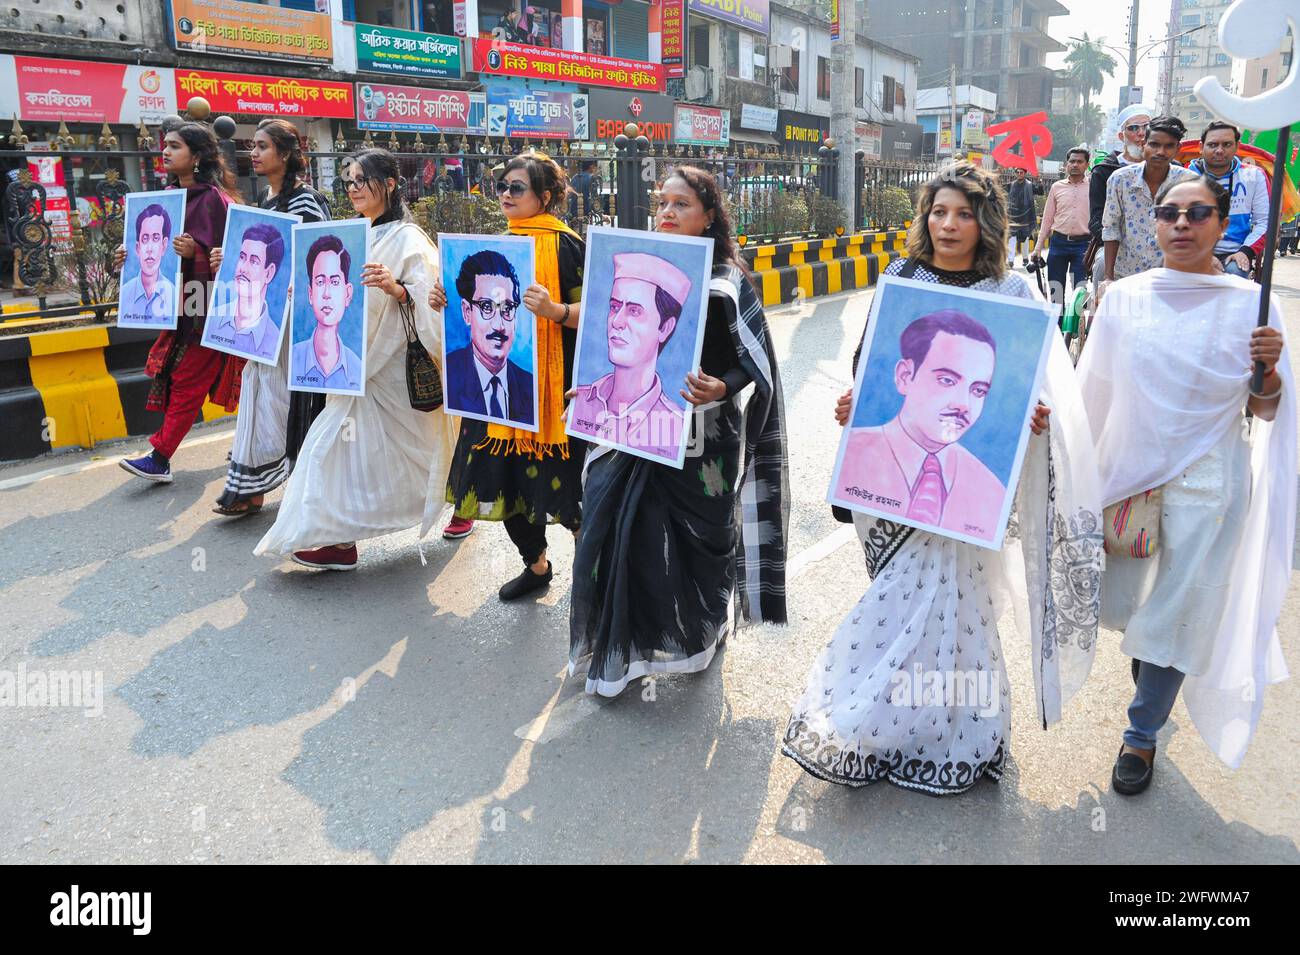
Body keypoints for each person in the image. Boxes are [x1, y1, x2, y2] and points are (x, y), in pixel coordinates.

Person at [782, 161, 1103, 795]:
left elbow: (1030, 387)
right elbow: (871, 361)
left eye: (963, 213)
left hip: (972, 500)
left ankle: (958, 737)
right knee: (899, 601)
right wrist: (856, 402)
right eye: (938, 212)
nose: (948, 224)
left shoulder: (1011, 295)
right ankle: (876, 729)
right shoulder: (902, 279)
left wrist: (1035, 416)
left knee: (960, 611)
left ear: (985, 222)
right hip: (892, 490)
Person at [1076, 175, 1294, 793]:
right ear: (1154, 223)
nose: (1180, 224)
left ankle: (1140, 735)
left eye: (1196, 213)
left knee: (1181, 608)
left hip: (1210, 483)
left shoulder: (1253, 304)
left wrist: (1269, 372)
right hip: (1134, 477)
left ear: (1221, 223)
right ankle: (1153, 671)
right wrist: (1072, 464)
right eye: (1169, 213)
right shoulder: (1124, 298)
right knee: (1136, 604)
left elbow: (1267, 409)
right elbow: (1096, 390)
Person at [568, 165, 789, 696]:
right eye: (662, 203)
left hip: (703, 440)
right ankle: (625, 650)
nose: (666, 213)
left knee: (696, 543)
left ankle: (698, 633)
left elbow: (753, 364)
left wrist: (721, 386)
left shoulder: (729, 280)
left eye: (681, 204)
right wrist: (591, 390)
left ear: (709, 215)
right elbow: (605, 340)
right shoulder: (636, 270)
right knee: (621, 535)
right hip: (631, 436)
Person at [254, 148, 458, 571]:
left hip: (391, 371)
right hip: (350, 370)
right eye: (348, 181)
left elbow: (434, 303)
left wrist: (397, 289)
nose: (353, 189)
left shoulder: (408, 239)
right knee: (331, 450)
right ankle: (337, 540)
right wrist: (303, 297)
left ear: (389, 183)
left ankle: (454, 490)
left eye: (361, 180)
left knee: (406, 454)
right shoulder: (355, 234)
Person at [433, 151, 586, 593]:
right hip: (495, 406)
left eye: (516, 187)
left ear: (547, 195)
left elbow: (595, 314)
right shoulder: (493, 249)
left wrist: (556, 310)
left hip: (552, 396)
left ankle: (592, 567)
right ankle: (536, 566)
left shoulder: (567, 245)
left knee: (568, 489)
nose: (505, 194)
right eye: (501, 185)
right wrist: (442, 302)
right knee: (503, 482)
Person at [212, 118, 331, 517]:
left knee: (287, 404)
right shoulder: (265, 200)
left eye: (263, 146)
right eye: (254, 146)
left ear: (286, 153)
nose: (254, 153)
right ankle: (249, 485)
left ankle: (290, 489)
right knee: (259, 394)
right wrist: (225, 262)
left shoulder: (306, 202)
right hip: (265, 324)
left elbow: (320, 259)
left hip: (295, 325)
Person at [115, 122, 242, 484]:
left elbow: (232, 256)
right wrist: (128, 259)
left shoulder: (216, 200)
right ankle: (268, 446)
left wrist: (197, 252)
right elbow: (151, 253)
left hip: (208, 309)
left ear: (197, 155)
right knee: (197, 380)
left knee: (188, 381)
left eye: (174, 146)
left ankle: (160, 456)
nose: (165, 152)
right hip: (178, 309)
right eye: (165, 145)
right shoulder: (165, 199)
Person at [837, 309, 1005, 540]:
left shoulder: (989, 489)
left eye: (978, 390)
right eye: (947, 380)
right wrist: (853, 403)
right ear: (905, 376)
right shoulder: (857, 452)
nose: (963, 404)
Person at [567, 252, 690, 460]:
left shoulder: (675, 424)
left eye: (634, 311)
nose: (617, 321)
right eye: (614, 307)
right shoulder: (581, 400)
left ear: (665, 328)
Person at [1101, 115, 1197, 294]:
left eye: (1168, 146)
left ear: (1178, 148)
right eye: (1154, 144)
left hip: (1171, 278)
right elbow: (1111, 227)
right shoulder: (1120, 180)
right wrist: (1108, 278)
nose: (1160, 152)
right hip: (1127, 275)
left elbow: (1196, 230)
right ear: (1144, 144)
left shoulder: (1189, 182)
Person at [445, 249, 535, 424]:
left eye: (507, 309)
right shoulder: (449, 377)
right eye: (487, 307)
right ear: (466, 311)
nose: (499, 325)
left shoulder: (530, 386)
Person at [1188, 121, 1271, 277]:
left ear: (1237, 146)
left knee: (1234, 276)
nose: (1219, 150)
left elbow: (1265, 222)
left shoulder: (1255, 176)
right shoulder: (1187, 174)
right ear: (1201, 147)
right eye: (1212, 145)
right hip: (1194, 250)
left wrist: (1245, 252)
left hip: (1236, 252)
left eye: (1226, 144)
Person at [289, 234, 365, 392]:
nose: (327, 293)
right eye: (320, 282)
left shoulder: (357, 369)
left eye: (335, 282)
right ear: (310, 293)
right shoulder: (293, 359)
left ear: (348, 293)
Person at [206, 222, 284, 362]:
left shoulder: (275, 343)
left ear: (269, 273)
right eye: (242, 257)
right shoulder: (212, 320)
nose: (243, 268)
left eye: (254, 261)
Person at [1034, 146, 1091, 317]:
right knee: (1055, 290)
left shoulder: (1094, 187)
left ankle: (1075, 330)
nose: (1075, 165)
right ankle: (1057, 329)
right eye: (1072, 161)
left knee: (1079, 291)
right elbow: (1047, 219)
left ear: (1086, 165)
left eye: (1079, 162)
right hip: (1058, 244)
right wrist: (1037, 248)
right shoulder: (1057, 187)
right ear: (1067, 164)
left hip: (1083, 245)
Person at [1088, 103, 1152, 245]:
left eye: (1147, 127)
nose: (1141, 133)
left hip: (1157, 245)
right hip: (1116, 245)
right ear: (1121, 136)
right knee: (1102, 265)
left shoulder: (1168, 168)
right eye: (1133, 128)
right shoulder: (1104, 171)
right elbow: (1096, 220)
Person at [118, 203, 177, 326]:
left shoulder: (174, 296)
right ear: (138, 247)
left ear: (164, 245)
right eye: (145, 238)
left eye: (156, 238)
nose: (149, 248)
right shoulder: (124, 293)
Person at [1005, 166, 1040, 268]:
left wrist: (1039, 180)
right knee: (1011, 239)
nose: (1019, 174)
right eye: (1018, 172)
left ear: (1025, 173)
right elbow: (999, 189)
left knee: (1025, 239)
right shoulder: (1011, 185)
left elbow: (1040, 191)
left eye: (1021, 172)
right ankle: (1010, 260)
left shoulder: (1030, 185)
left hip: (1026, 216)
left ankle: (1025, 258)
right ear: (1016, 173)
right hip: (1013, 217)